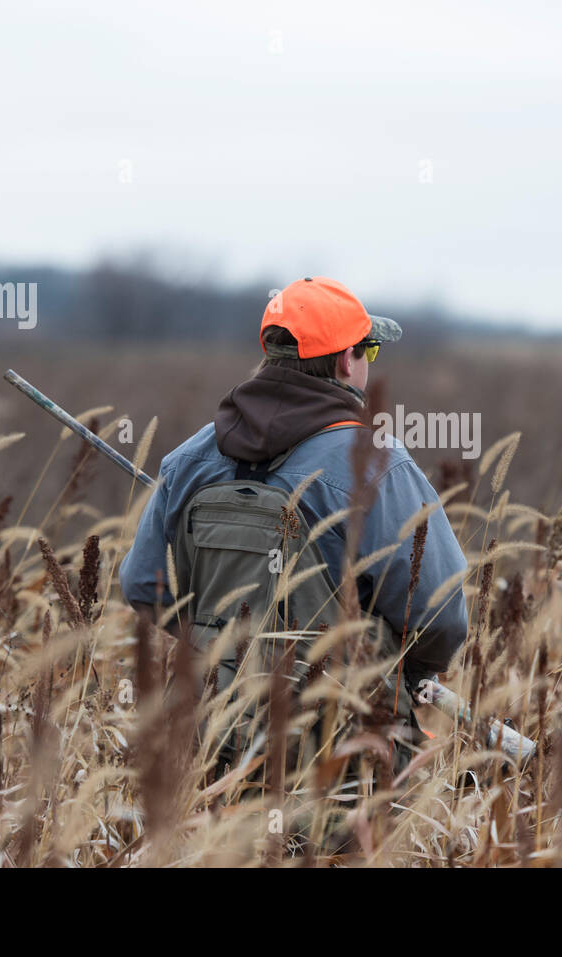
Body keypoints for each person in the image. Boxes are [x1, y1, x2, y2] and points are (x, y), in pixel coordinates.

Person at [118, 275, 469, 771]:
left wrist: (220, 645)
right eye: (368, 351)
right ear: (348, 359)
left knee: (212, 851)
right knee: (336, 853)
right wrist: (413, 671)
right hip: (339, 745)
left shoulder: (189, 458)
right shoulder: (377, 465)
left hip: (209, 736)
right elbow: (441, 610)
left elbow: (141, 583)